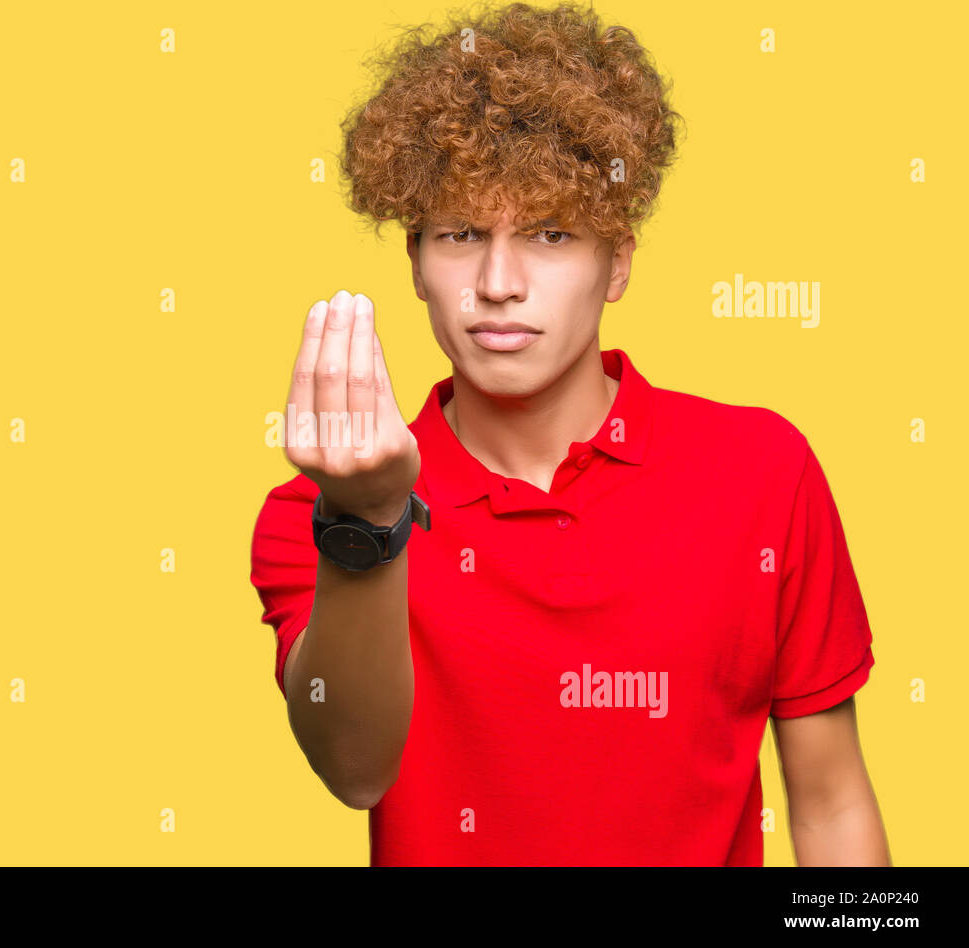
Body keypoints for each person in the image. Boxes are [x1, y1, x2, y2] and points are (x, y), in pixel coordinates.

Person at [249, 1, 889, 866]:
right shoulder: (315, 516)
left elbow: (832, 807)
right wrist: (366, 523)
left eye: (551, 234)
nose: (499, 282)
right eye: (461, 234)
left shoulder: (762, 473)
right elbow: (354, 769)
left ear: (617, 259)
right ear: (414, 261)